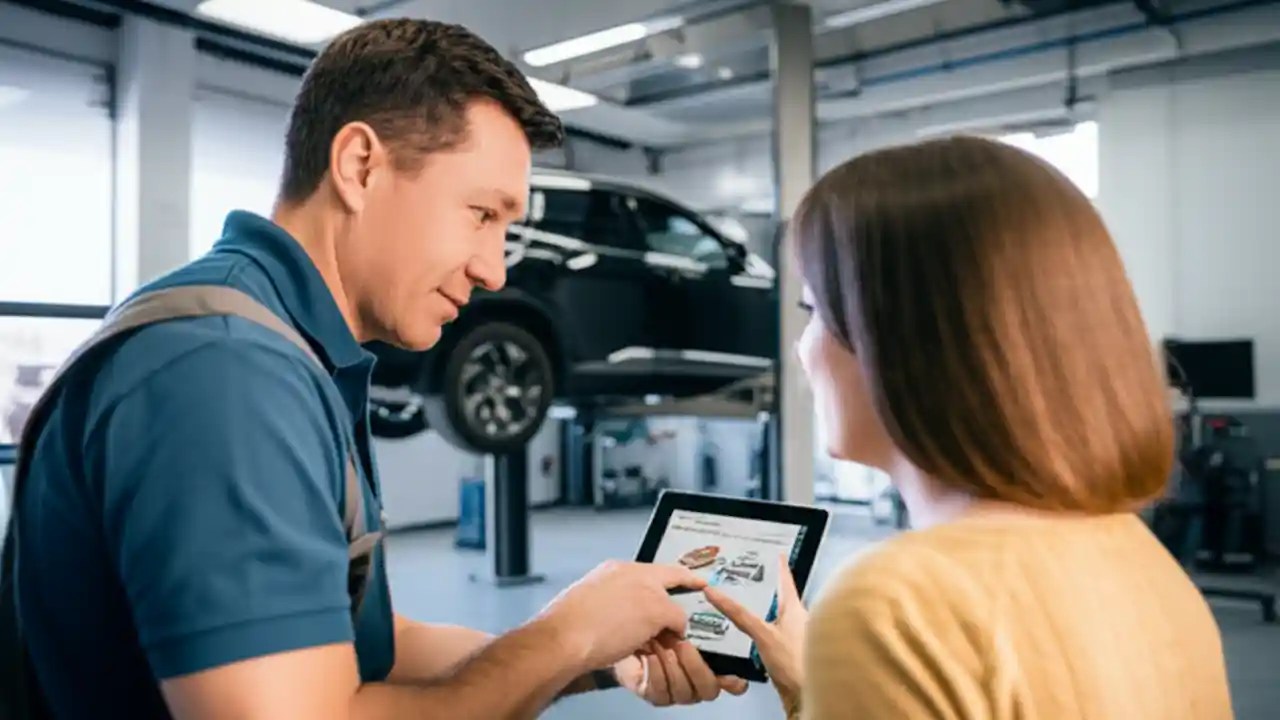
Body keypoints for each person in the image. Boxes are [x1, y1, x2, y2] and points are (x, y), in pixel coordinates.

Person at [4, 19, 747, 719]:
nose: (494, 270)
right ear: (361, 166)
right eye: (482, 214)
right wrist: (565, 639)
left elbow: (367, 647)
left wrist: (601, 654)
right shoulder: (227, 373)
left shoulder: (284, 347)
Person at [705, 136, 1234, 719]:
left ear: (904, 338)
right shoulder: (1143, 563)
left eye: (814, 312)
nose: (804, 351)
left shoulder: (894, 607)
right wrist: (826, 689)